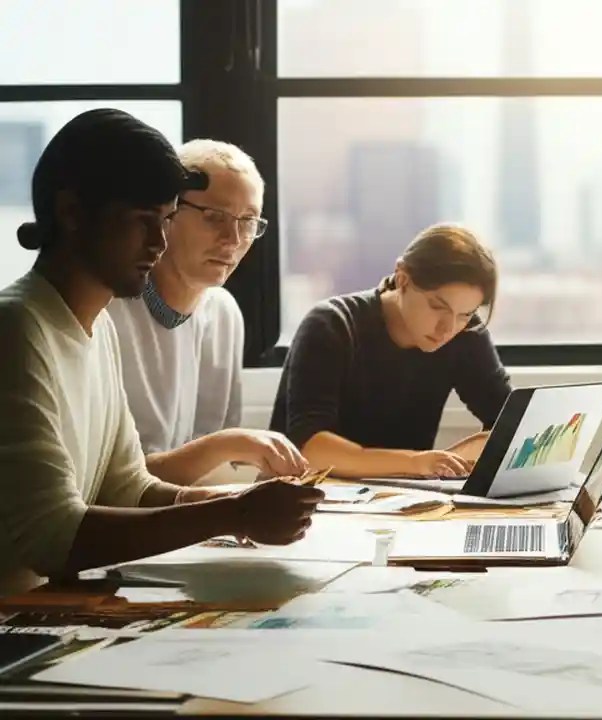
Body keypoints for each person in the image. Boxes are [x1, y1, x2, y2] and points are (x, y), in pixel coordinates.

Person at [0, 109, 321, 596]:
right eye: (142, 221)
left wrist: (240, 501)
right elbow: (52, 537)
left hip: (62, 606)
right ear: (70, 213)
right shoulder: (17, 327)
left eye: (167, 219)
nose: (160, 240)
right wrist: (233, 514)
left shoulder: (97, 326)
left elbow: (128, 487)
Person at [108, 139, 307, 485]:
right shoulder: (108, 310)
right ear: (167, 213)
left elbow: (206, 468)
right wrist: (227, 446)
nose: (232, 239)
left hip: (178, 516)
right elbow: (109, 482)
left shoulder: (224, 312)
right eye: (214, 217)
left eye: (248, 222)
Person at [271, 223, 511, 479]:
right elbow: (312, 448)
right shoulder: (332, 325)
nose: (448, 328)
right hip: (307, 498)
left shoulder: (464, 333)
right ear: (402, 278)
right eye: (437, 306)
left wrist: (451, 464)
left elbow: (510, 420)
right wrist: (416, 463)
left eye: (465, 314)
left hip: (401, 500)